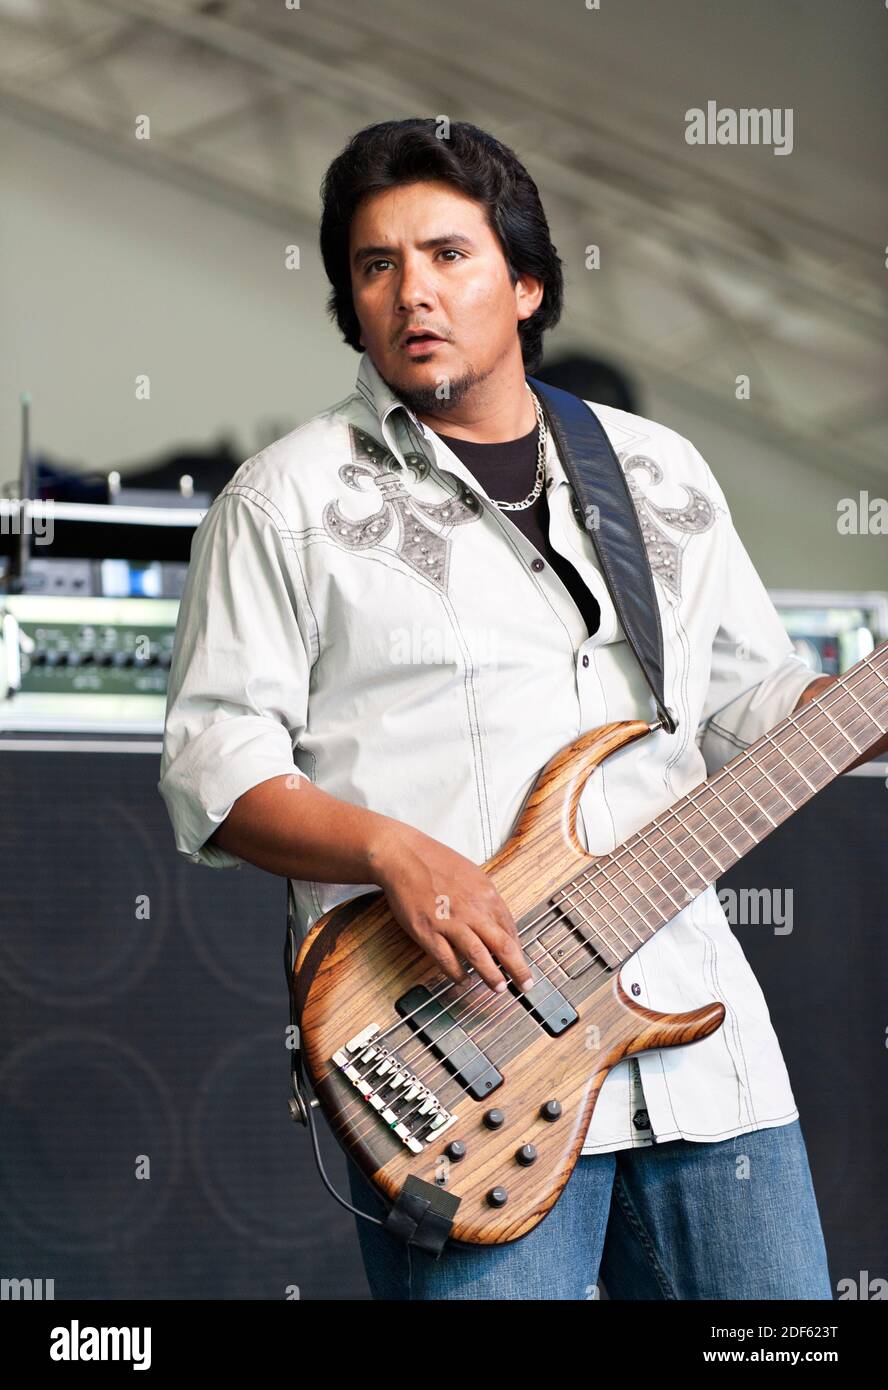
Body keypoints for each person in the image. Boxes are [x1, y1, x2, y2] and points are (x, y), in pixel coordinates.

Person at [158, 118, 887, 1300]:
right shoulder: (283, 500)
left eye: (448, 255)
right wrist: (394, 851)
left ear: (527, 281)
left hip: (703, 1062)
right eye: (375, 264)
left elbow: (752, 706)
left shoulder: (658, 472)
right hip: (461, 1071)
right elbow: (212, 762)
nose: (411, 293)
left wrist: (860, 706)